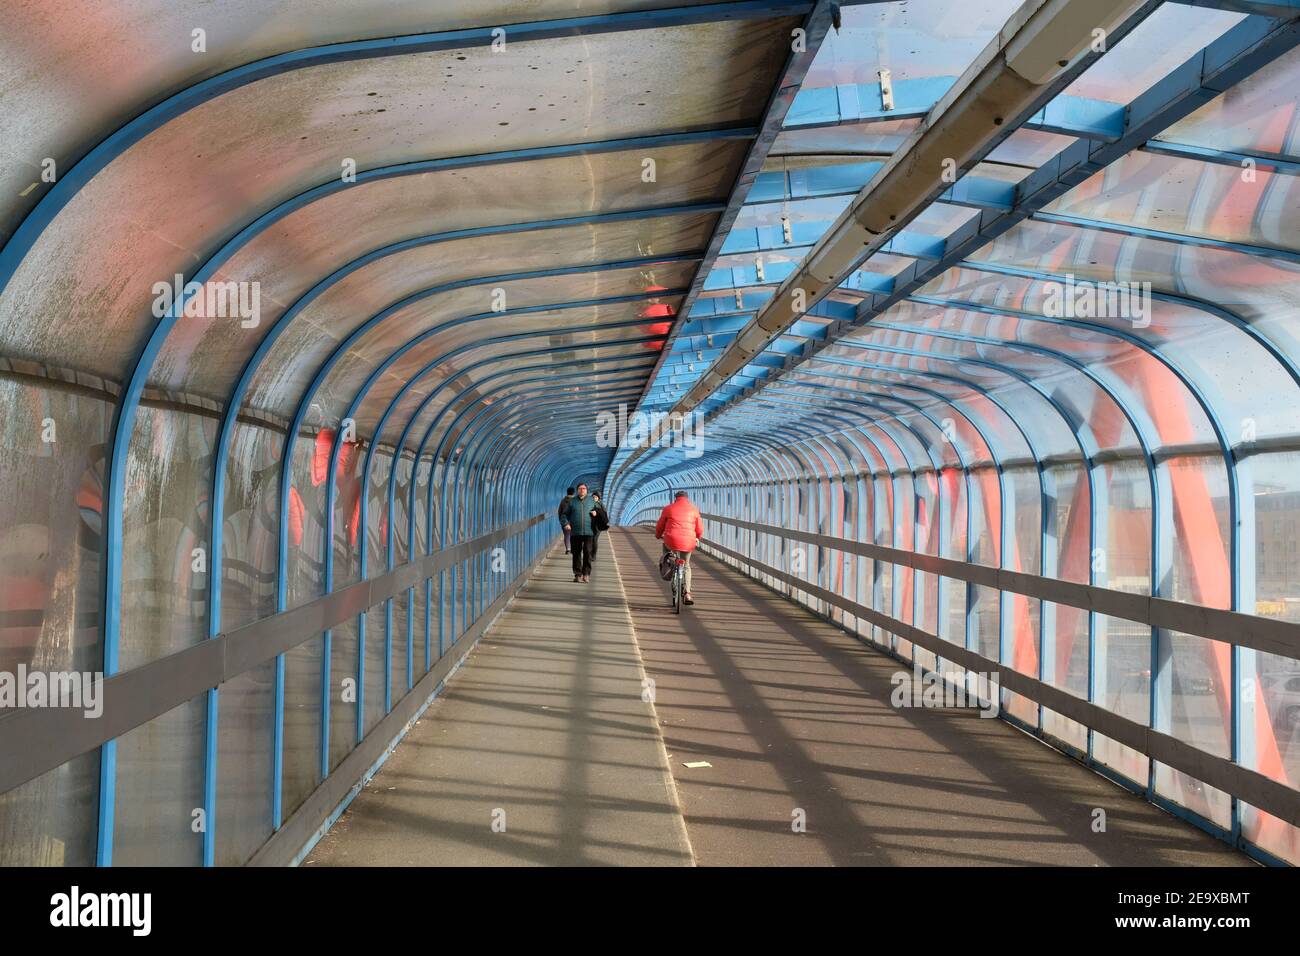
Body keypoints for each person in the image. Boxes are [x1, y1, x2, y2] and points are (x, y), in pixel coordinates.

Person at [654, 489, 703, 605]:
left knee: (667, 550)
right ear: (687, 499)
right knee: (686, 565)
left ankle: (668, 566)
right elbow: (700, 529)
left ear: (676, 499)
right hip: (688, 541)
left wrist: (658, 535)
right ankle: (687, 593)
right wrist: (698, 537)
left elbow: (660, 525)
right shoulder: (694, 509)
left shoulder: (668, 508)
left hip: (671, 540)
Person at [559, 482, 600, 583]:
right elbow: (564, 515)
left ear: (587, 490)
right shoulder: (572, 502)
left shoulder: (592, 501)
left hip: (589, 531)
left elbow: (601, 512)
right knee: (576, 553)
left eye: (584, 489)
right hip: (575, 532)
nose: (582, 490)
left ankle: (586, 574)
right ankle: (577, 574)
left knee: (587, 552)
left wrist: (596, 513)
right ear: (577, 490)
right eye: (580, 488)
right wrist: (565, 524)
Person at [590, 491, 609, 557]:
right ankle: (591, 554)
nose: (594, 498)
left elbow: (604, 515)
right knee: (591, 540)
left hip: (597, 525)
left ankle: (593, 555)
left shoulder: (599, 505)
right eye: (593, 497)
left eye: (595, 497)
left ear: (598, 498)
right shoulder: (591, 504)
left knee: (594, 539)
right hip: (591, 525)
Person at [558, 487, 575, 554]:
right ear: (574, 492)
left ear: (567, 492)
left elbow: (560, 512)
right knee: (574, 535)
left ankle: (568, 548)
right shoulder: (576, 501)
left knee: (566, 535)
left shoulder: (563, 501)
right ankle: (573, 548)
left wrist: (561, 521)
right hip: (574, 521)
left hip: (565, 521)